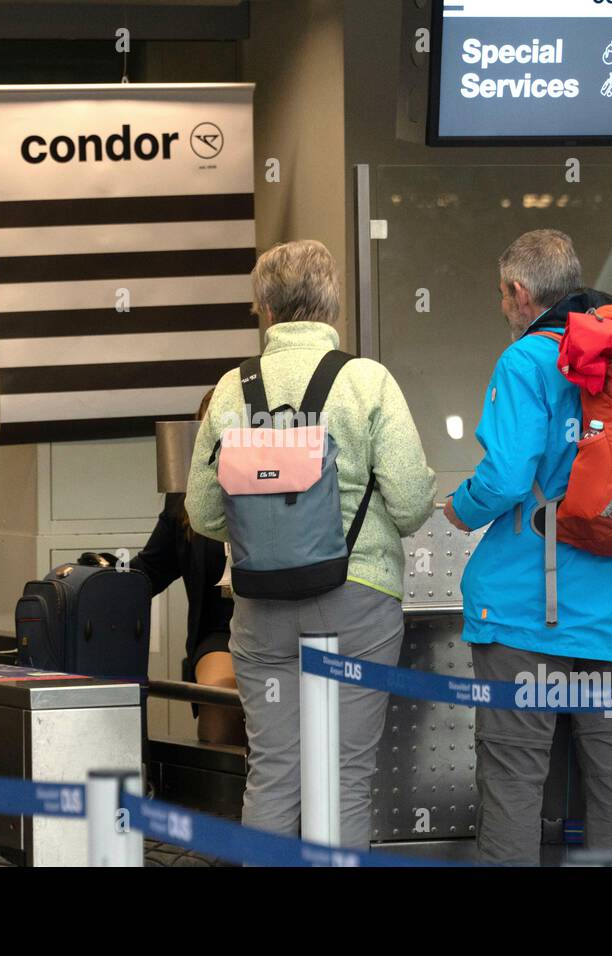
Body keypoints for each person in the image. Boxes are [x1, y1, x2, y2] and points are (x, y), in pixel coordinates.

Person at [443, 229, 612, 866]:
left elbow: (507, 477)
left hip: (524, 613)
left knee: (514, 778)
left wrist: (460, 509)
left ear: (517, 292)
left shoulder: (525, 362)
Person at [185, 239, 435, 849]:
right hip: (358, 604)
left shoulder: (229, 389)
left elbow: (202, 513)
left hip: (262, 610)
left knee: (272, 773)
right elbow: (408, 505)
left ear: (265, 309)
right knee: (344, 778)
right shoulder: (367, 382)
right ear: (332, 309)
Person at [132, 388, 243, 746]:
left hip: (281, 627)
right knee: (220, 706)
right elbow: (149, 570)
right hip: (221, 632)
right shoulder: (185, 496)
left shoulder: (280, 482)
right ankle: (222, 796)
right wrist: (92, 581)